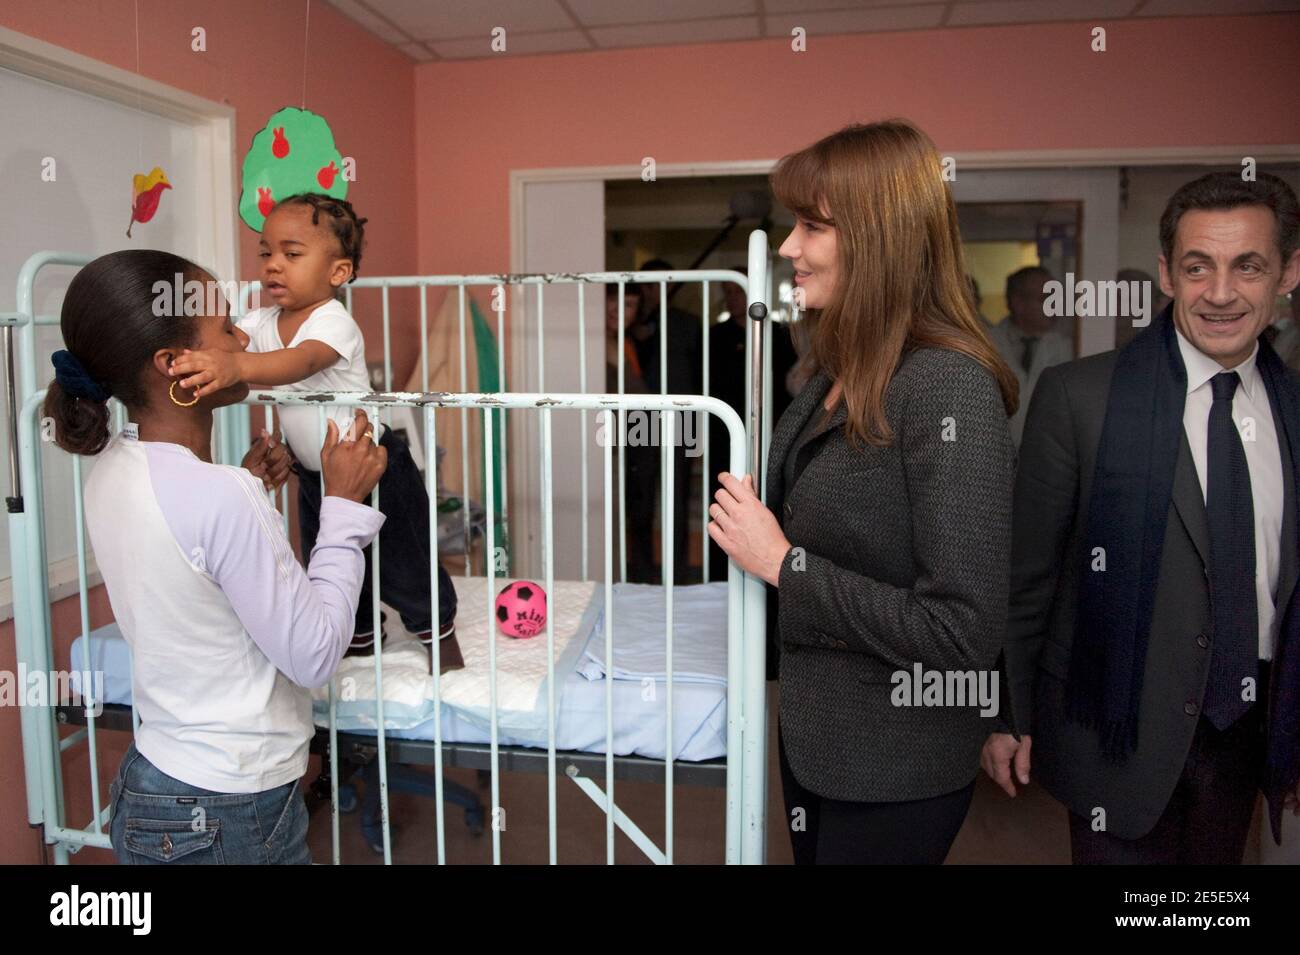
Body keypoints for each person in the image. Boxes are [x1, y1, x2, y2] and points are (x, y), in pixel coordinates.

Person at [707, 120, 1018, 864]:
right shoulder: (827, 369)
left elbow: (960, 633)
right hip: (818, 737)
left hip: (894, 764)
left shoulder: (947, 386)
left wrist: (784, 563)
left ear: (879, 238)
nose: (787, 247)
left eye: (813, 225)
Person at [982, 171, 1300, 864]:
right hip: (1111, 732)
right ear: (1167, 274)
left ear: (1288, 272)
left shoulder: (1294, 411)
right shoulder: (1077, 398)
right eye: (1197, 267)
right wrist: (1008, 714)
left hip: (1250, 736)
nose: (1220, 292)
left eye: (1247, 265)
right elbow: (1026, 578)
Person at [44, 249, 388, 864]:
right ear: (175, 365)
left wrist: (247, 487)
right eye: (228, 328)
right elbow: (313, 655)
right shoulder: (222, 496)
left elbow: (187, 562)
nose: (243, 339)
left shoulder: (112, 470)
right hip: (229, 808)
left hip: (153, 786)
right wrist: (342, 508)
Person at [169, 194, 459, 671]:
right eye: (265, 253)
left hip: (373, 465)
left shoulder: (333, 323)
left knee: (403, 560)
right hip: (314, 473)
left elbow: (296, 363)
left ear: (338, 272)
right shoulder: (261, 323)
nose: (273, 266)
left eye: (292, 253)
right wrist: (195, 353)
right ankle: (360, 637)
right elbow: (230, 341)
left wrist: (234, 363)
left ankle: (440, 635)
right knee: (330, 558)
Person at [630, 259, 702, 583]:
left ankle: (678, 570)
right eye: (644, 284)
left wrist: (698, 428)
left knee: (677, 496)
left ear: (670, 286)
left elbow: (700, 377)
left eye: (656, 284)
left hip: (682, 415)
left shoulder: (689, 323)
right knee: (640, 495)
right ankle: (642, 568)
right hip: (639, 416)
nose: (650, 291)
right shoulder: (631, 324)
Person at [985, 266, 1073, 446]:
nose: (1055, 306)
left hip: (1046, 454)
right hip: (997, 454)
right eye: (1047, 299)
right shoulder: (987, 344)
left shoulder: (1067, 345)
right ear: (1018, 303)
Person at [605, 281, 657, 582]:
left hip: (636, 436)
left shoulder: (629, 342)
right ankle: (617, 578)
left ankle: (638, 576)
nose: (619, 310)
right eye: (613, 300)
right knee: (613, 512)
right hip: (608, 440)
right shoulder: (595, 341)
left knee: (638, 509)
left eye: (629, 304)